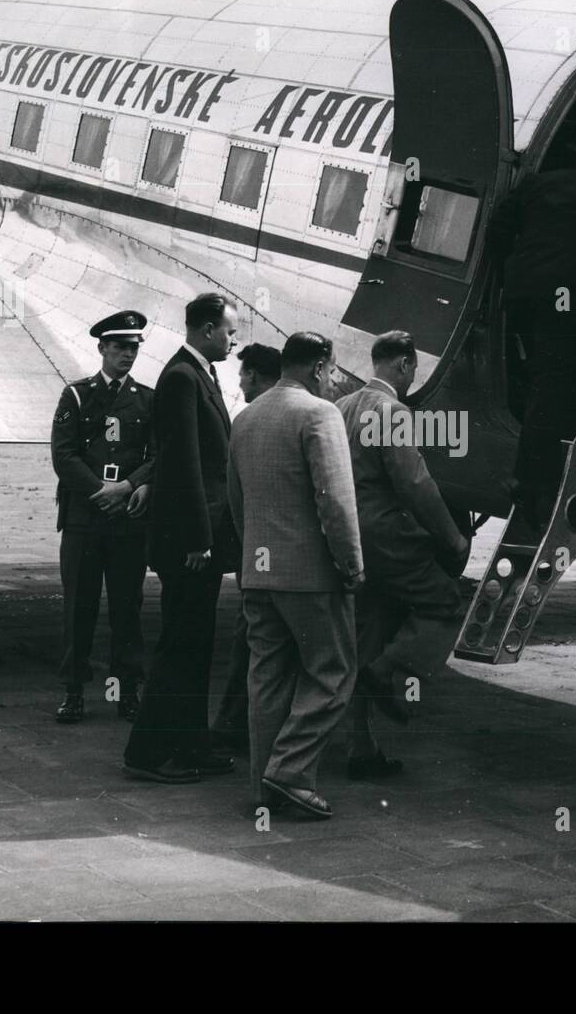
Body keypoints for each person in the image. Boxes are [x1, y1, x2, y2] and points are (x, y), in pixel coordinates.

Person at [228, 332, 364, 819]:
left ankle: (265, 787)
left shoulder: (246, 418)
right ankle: (289, 772)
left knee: (266, 679)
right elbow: (336, 500)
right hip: (310, 577)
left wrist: (254, 559)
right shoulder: (319, 414)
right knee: (333, 675)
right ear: (320, 367)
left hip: (259, 573)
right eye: (330, 372)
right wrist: (350, 564)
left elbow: (237, 502)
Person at [335, 331, 470, 778]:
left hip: (350, 542)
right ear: (406, 365)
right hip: (387, 539)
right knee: (447, 603)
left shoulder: (343, 406)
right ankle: (387, 669)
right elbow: (416, 485)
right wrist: (452, 538)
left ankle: (361, 749)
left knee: (366, 633)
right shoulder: (392, 411)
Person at [487, 123, 576, 527]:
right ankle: (529, 479)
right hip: (565, 299)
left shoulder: (537, 184)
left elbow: (498, 224)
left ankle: (534, 468)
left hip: (524, 293)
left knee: (537, 375)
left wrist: (510, 269)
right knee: (553, 383)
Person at [122, 293, 239, 783]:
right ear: (208, 330)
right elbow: (183, 464)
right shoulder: (180, 378)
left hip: (201, 542)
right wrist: (197, 538)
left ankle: (192, 743)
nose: (234, 341)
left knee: (196, 644)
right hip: (190, 544)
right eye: (230, 332)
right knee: (179, 645)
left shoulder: (199, 375)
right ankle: (148, 755)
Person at [50, 310, 154, 724]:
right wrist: (99, 491)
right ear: (102, 348)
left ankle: (127, 690)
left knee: (128, 607)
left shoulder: (147, 399)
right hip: (85, 518)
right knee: (80, 607)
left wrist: (130, 486)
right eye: (119, 348)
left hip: (127, 517)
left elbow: (159, 454)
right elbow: (64, 455)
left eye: (133, 348)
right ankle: (74, 691)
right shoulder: (76, 396)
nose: (127, 355)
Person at [212, 342, 282, 754]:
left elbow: (234, 494)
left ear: (254, 375)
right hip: (293, 558)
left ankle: (233, 724)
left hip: (254, 552)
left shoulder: (246, 420)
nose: (240, 382)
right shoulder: (312, 413)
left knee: (251, 638)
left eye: (243, 375)